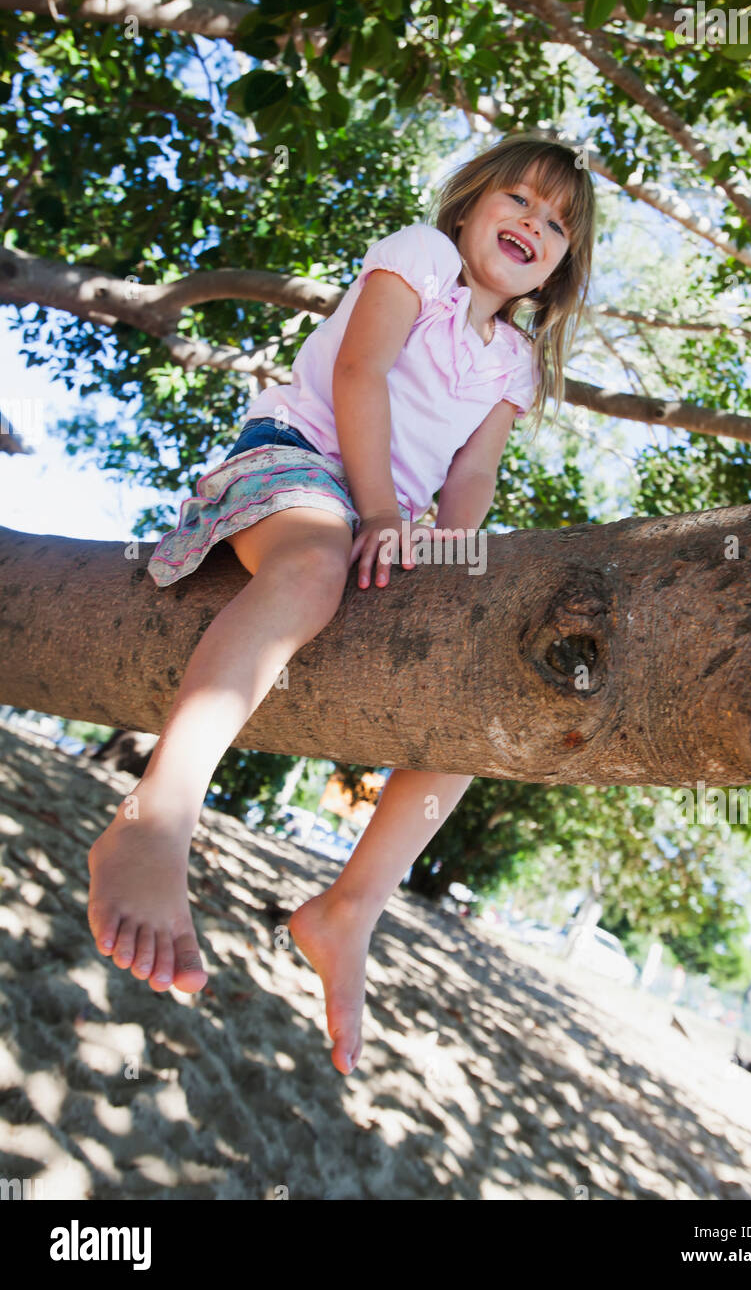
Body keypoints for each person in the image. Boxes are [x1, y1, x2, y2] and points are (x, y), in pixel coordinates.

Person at [86, 130, 596, 1075]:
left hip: (390, 522)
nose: (535, 223)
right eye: (520, 200)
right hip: (299, 462)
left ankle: (349, 907)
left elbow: (472, 476)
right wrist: (369, 511)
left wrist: (452, 568)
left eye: (559, 224)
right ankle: (156, 816)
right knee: (314, 568)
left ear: (559, 270)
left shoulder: (514, 365)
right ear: (470, 203)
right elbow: (360, 373)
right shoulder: (423, 257)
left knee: (494, 674)